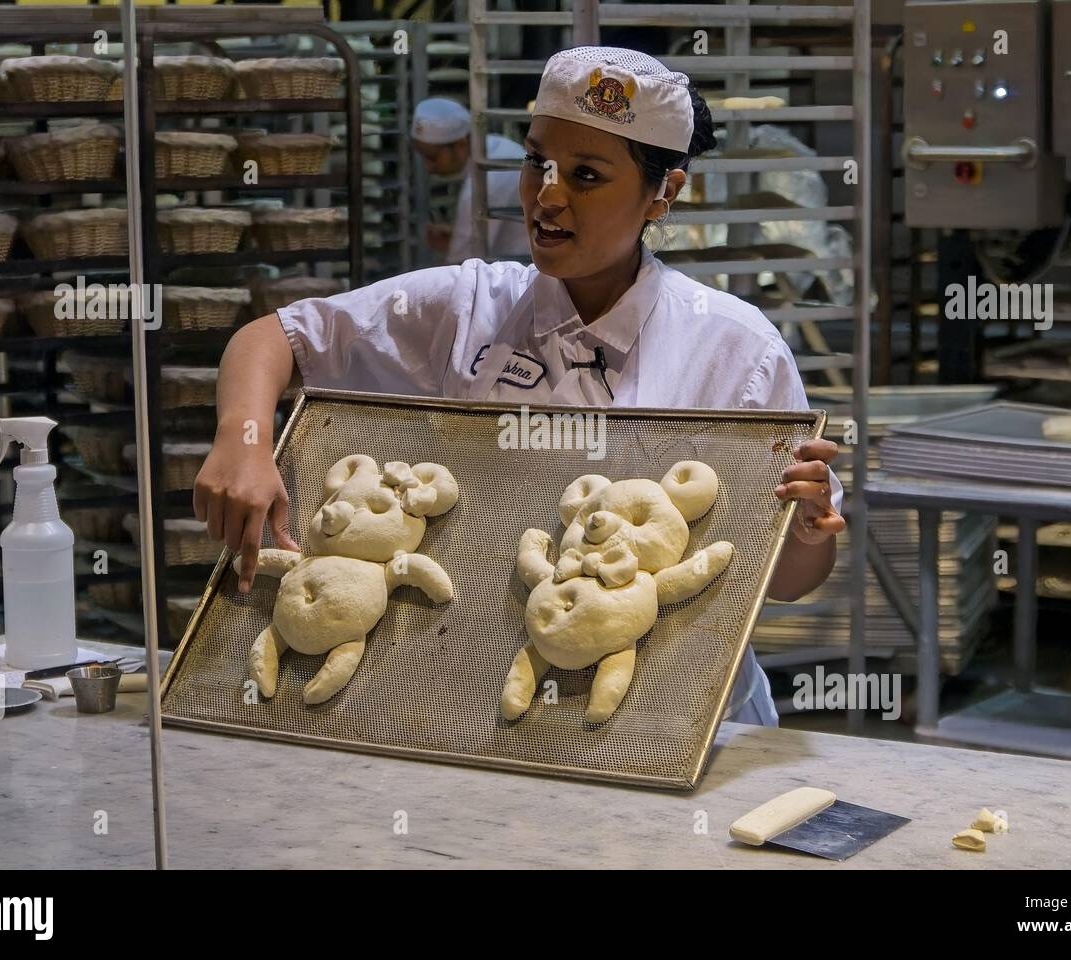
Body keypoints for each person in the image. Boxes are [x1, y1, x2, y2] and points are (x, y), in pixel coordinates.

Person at [196, 47, 846, 726]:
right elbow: (274, 341)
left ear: (665, 192)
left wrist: (804, 533)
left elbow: (792, 584)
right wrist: (244, 440)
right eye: (538, 162)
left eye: (587, 176)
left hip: (680, 717)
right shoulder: (469, 306)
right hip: (492, 699)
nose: (549, 194)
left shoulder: (732, 348)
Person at [411, 97, 530, 263]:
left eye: (432, 157)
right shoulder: (495, 146)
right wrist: (456, 236)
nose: (427, 166)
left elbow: (462, 266)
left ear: (460, 144)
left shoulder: (485, 183)